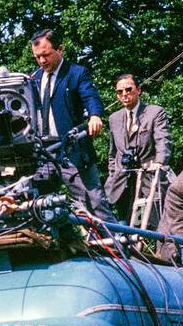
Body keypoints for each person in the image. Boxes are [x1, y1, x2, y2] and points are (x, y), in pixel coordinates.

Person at [28, 28, 117, 221]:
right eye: (37, 57)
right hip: (42, 154)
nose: (42, 61)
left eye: (46, 55)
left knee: (95, 204)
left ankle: (118, 246)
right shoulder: (32, 79)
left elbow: (90, 96)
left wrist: (94, 116)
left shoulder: (77, 73)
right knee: (37, 208)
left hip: (72, 150)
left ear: (60, 49)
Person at [105, 74, 172, 225]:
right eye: (120, 92)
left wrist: (159, 164)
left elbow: (163, 140)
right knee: (122, 223)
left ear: (138, 90)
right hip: (121, 183)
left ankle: (142, 244)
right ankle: (127, 244)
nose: (124, 95)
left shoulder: (154, 112)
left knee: (143, 223)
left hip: (147, 181)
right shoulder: (114, 118)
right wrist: (113, 172)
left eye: (128, 90)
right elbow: (113, 152)